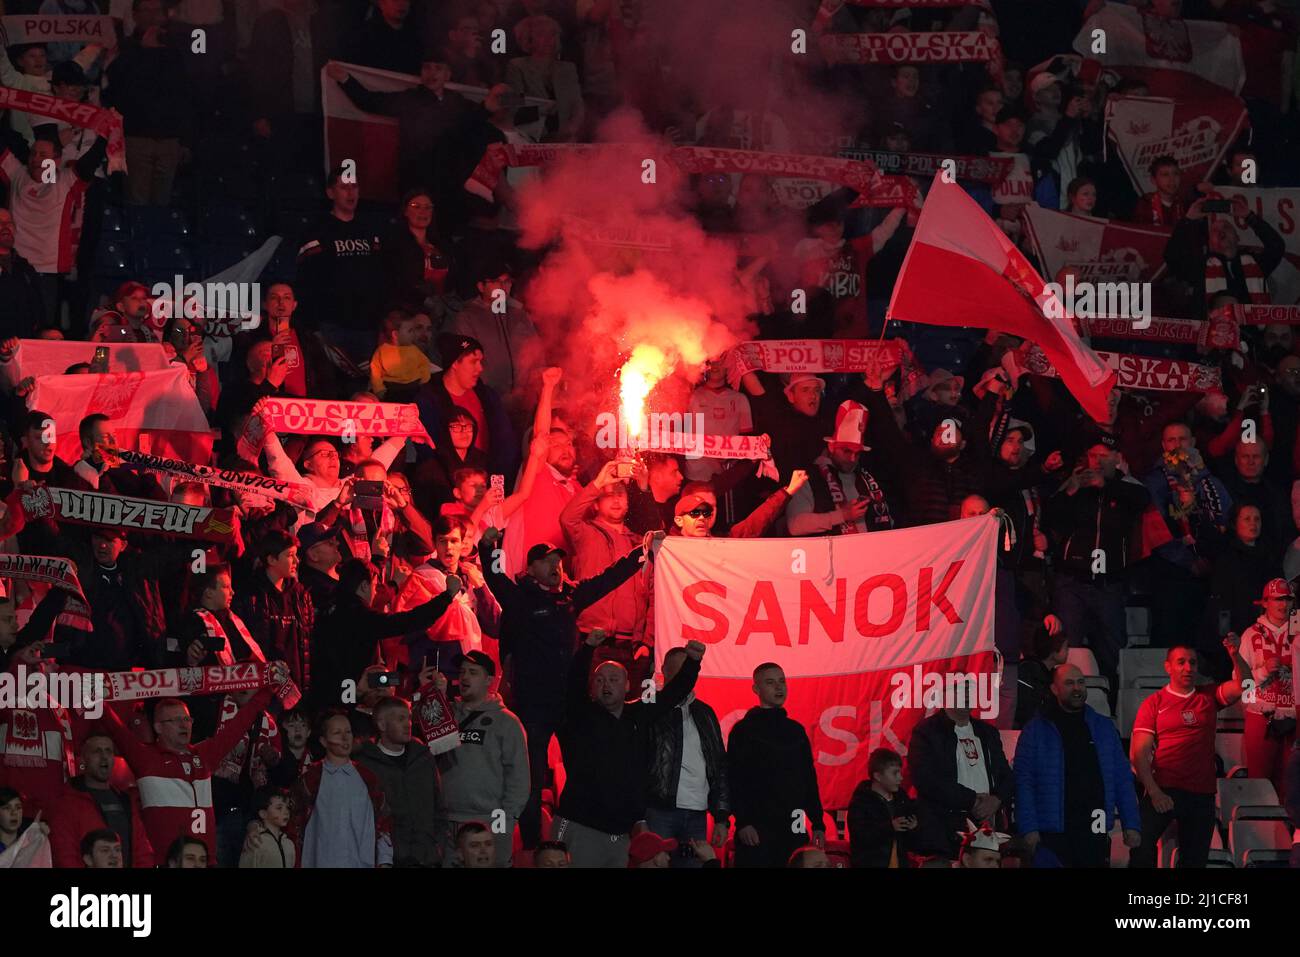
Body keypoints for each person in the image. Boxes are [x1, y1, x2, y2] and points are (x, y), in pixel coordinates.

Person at [480, 525, 658, 851]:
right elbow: (494, 579)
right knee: (533, 781)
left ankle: (579, 840)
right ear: (531, 568)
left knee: (582, 772)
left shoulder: (571, 594)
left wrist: (641, 553)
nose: (555, 565)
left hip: (572, 704)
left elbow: (608, 578)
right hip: (534, 705)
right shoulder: (520, 599)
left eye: (557, 560)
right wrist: (486, 545)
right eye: (546, 561)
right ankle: (535, 848)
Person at [100, 670, 284, 866]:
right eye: (176, 720)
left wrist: (270, 688)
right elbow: (114, 726)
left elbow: (239, 724)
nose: (184, 725)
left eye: (187, 719)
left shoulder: (203, 755)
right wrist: (89, 689)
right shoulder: (145, 758)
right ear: (158, 727)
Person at [552, 633, 705, 867]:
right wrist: (587, 648)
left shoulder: (638, 715)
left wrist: (693, 662)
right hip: (580, 823)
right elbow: (573, 684)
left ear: (627, 685)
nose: (606, 685)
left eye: (613, 679)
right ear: (592, 686)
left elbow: (672, 694)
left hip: (621, 831)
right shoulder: (581, 716)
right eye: (600, 680)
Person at [1129, 638, 1253, 868]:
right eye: (1181, 662)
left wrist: (1235, 655)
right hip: (1164, 789)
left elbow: (1248, 686)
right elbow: (1138, 752)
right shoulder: (1154, 703)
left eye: (1193, 663)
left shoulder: (1208, 696)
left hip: (1201, 794)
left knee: (1195, 862)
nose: (1188, 668)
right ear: (1168, 667)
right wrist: (1154, 792)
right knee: (1140, 846)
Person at [1047, 433, 1150, 692]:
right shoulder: (1075, 484)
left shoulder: (1127, 485)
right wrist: (1072, 489)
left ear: (1117, 459)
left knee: (1111, 651)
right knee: (1066, 647)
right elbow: (1050, 516)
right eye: (1093, 455)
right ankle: (1062, 699)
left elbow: (1142, 499)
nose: (1097, 460)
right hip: (1072, 580)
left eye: (1104, 455)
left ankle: (1114, 709)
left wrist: (1106, 484)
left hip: (1109, 583)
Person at [1015, 665, 1141, 867]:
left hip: (1095, 825)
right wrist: (1029, 828)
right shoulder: (1035, 730)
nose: (1077, 688)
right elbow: (1024, 782)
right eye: (1069, 683)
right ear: (1054, 689)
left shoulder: (1104, 727)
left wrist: (1131, 823)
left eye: (1081, 682)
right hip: (1053, 831)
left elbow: (1122, 778)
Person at [309, 558, 459, 711]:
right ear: (364, 586)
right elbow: (408, 621)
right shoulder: (357, 615)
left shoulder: (327, 609)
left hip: (326, 694)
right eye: (375, 586)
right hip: (344, 701)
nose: (375, 592)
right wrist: (447, 596)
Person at [430, 651, 528, 867]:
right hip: (449, 820)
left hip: (489, 822)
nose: (464, 677)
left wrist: (505, 823)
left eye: (473, 672)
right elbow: (433, 750)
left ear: (489, 680)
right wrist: (432, 695)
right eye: (462, 671)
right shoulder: (447, 713)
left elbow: (518, 777)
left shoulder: (506, 722)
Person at [727, 663, 825, 868]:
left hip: (793, 825)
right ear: (756, 689)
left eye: (782, 681)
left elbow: (808, 777)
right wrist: (743, 822)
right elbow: (734, 779)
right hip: (758, 827)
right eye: (770, 682)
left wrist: (817, 823)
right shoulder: (744, 730)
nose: (779, 687)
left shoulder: (796, 730)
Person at [560, 458, 650, 683]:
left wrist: (643, 488)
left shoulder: (639, 541)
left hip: (631, 646)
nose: (616, 499)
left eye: (621, 493)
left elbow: (654, 592)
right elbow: (567, 518)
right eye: (608, 494)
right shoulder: (585, 532)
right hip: (591, 641)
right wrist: (598, 482)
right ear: (596, 504)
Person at [643, 646, 730, 868]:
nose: (686, 673)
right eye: (680, 668)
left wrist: (721, 817)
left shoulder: (706, 713)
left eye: (690, 667)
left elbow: (719, 765)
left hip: (697, 814)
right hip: (658, 810)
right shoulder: (650, 709)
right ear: (664, 670)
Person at [103, 0, 192, 207]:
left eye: (157, 11)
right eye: (146, 11)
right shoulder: (125, 47)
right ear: (134, 15)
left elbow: (185, 95)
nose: (152, 16)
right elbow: (116, 85)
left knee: (163, 205)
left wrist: (186, 139)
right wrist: (144, 51)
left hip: (169, 139)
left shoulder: (176, 47)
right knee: (136, 203)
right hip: (136, 138)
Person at [294, 167, 384, 358]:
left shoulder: (369, 230)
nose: (351, 192)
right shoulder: (317, 231)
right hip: (332, 325)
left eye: (354, 186)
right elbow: (306, 281)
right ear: (330, 193)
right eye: (344, 187)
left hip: (367, 325)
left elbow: (379, 276)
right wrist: (313, 325)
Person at [907, 704, 1015, 861]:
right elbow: (925, 779)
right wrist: (972, 800)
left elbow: (1007, 777)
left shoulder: (987, 732)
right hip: (944, 831)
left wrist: (996, 800)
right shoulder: (927, 731)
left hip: (987, 828)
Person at [291, 710, 393, 868]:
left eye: (348, 732)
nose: (345, 738)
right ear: (324, 741)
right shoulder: (312, 778)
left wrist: (385, 860)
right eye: (337, 733)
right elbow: (294, 820)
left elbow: (383, 820)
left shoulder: (367, 778)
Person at [786, 399, 898, 535]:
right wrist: (841, 516)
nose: (852, 459)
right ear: (831, 446)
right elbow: (795, 525)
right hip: (832, 554)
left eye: (857, 453)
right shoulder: (808, 478)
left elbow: (889, 520)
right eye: (847, 451)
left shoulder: (867, 476)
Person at [355, 696, 441, 867]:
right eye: (400, 719)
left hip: (426, 857)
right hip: (387, 858)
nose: (408, 724)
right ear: (381, 725)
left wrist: (437, 845)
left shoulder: (423, 758)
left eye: (409, 718)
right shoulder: (365, 764)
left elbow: (439, 805)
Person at [47, 733, 153, 868]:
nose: (104, 757)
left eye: (108, 751)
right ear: (84, 759)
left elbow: (142, 850)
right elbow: (65, 854)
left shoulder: (125, 800)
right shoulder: (66, 802)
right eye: (97, 751)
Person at [444, 261, 543, 401]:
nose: (503, 287)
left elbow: (536, 354)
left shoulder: (519, 315)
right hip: (488, 398)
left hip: (525, 398)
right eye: (496, 282)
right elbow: (465, 361)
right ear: (481, 286)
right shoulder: (467, 317)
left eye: (507, 281)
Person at [233, 531, 315, 693]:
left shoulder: (300, 594)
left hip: (296, 687)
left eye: (296, 555)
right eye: (290, 555)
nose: (297, 561)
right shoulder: (250, 594)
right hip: (263, 687)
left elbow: (309, 640)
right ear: (271, 559)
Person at [1237, 579, 1296, 798]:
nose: (1284, 604)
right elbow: (1243, 687)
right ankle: (1259, 831)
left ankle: (1291, 831)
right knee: (1259, 784)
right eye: (1278, 599)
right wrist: (1263, 671)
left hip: (1295, 715)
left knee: (1292, 784)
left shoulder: (1299, 633)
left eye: (1288, 599)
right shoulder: (1250, 635)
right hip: (1261, 717)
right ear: (1265, 603)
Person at [847, 747, 918, 868]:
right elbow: (860, 836)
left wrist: (913, 828)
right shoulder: (861, 802)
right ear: (878, 776)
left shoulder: (901, 799)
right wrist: (890, 827)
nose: (900, 778)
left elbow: (910, 843)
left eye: (900, 773)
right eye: (895, 773)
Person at [1015, 622, 1070, 729]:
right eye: (1066, 647)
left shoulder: (1052, 675)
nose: (1068, 651)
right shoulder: (1027, 672)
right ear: (1054, 650)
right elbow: (1026, 712)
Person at [0, 209, 45, 338]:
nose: (5, 226)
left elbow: (38, 312)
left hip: (23, 347)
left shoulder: (25, 269)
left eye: (9, 222)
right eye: (0, 222)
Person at [238, 787, 295, 868]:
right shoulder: (255, 843)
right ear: (263, 813)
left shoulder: (289, 844)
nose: (286, 812)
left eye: (287, 808)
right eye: (279, 808)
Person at [1130, 156, 1185, 226]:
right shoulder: (1145, 204)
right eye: (1165, 175)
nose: (1172, 179)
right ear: (1153, 180)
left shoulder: (1185, 203)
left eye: (1176, 173)